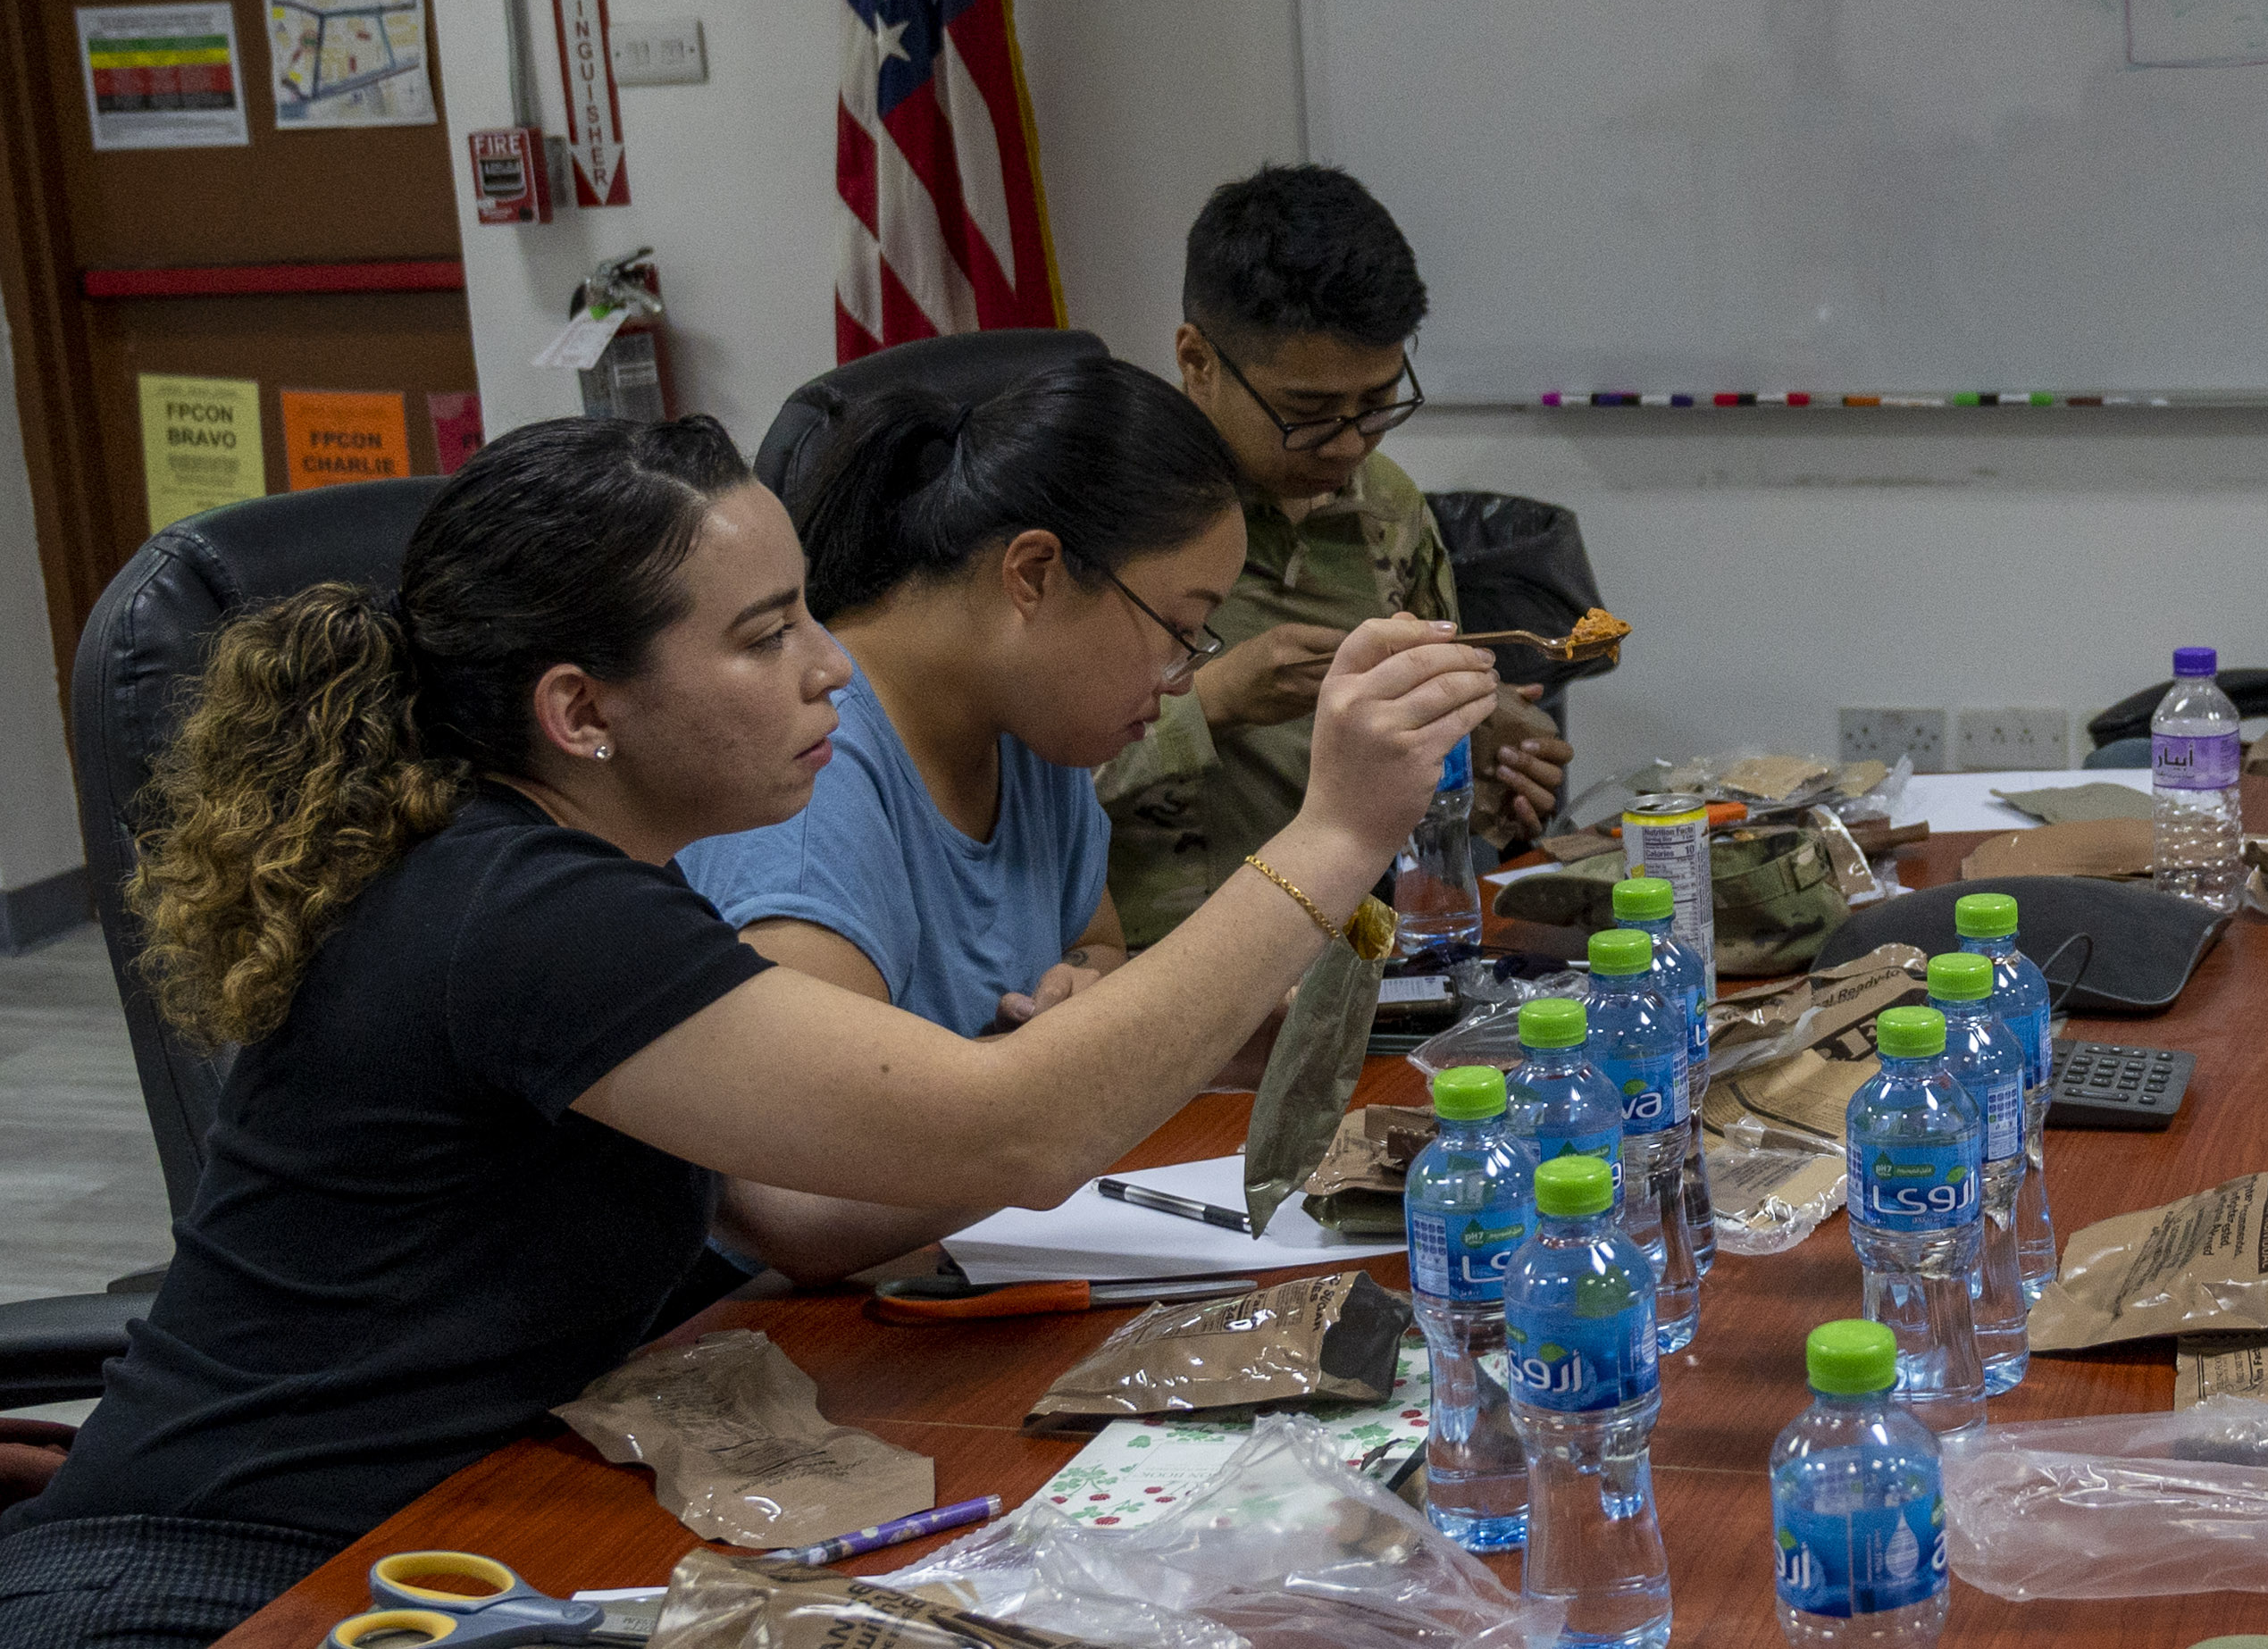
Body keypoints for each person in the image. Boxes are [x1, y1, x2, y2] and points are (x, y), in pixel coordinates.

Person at [0, 416, 1496, 1646]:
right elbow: (1012, 1124)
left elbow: (809, 1210)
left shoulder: (559, 877)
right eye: (767, 633)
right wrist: (1333, 830)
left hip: (441, 1528)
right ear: (582, 711)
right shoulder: (515, 911)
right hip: (227, 1590)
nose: (828, 667)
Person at [680, 360, 1246, 1040]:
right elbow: (831, 1122)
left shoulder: (1033, 720)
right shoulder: (809, 772)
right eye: (1178, 630)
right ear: (1034, 574)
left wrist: (1075, 985)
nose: (1182, 677)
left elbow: (1095, 941)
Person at [1101, 163, 1575, 947]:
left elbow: (1405, 800)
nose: (1351, 441)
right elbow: (996, 799)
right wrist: (1214, 701)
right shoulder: (1096, 516)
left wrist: (1484, 776)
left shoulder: (1384, 507)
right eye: (1309, 411)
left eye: (1380, 401)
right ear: (1198, 360)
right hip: (1155, 967)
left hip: (1356, 956)